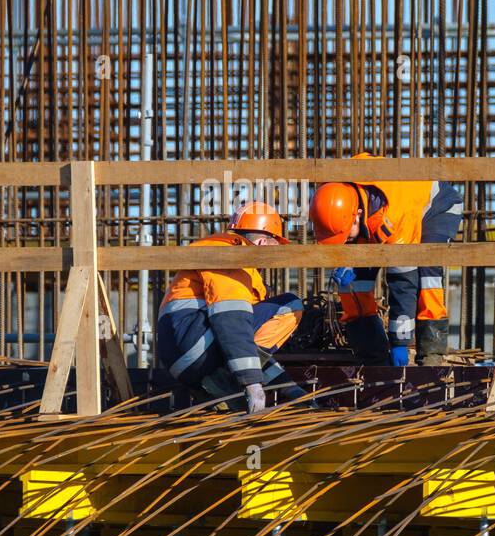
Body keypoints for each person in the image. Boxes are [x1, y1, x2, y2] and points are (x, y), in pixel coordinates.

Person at [308, 154, 463, 365]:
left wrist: (399, 343)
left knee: (427, 275)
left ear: (357, 215)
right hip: (377, 215)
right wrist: (344, 260)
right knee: (354, 282)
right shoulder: (337, 196)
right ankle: (372, 354)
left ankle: (431, 353)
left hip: (434, 207)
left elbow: (403, 285)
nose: (345, 242)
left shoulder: (397, 218)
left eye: (346, 235)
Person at [157, 201, 305, 412]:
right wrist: (252, 384)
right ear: (263, 242)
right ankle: (226, 384)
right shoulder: (233, 255)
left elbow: (248, 346)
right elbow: (232, 323)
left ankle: (219, 383)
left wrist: (291, 391)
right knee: (290, 306)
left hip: (188, 353)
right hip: (194, 347)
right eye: (276, 246)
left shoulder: (223, 251)